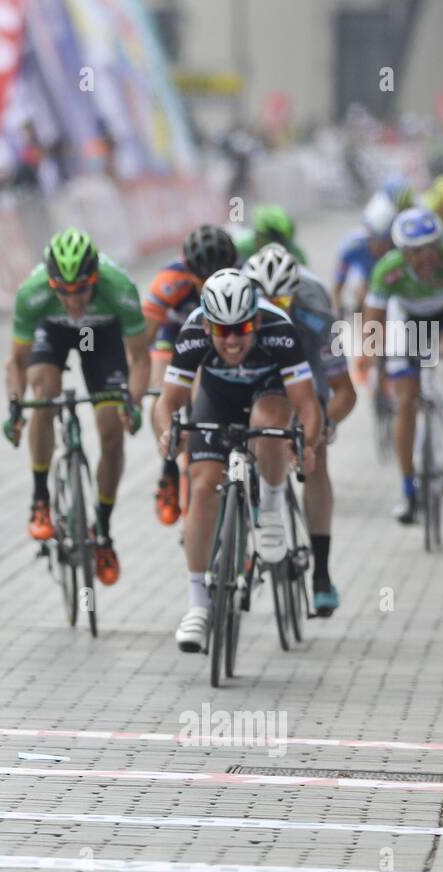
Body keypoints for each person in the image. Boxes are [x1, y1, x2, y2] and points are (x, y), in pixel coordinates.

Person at [153, 268, 321, 653]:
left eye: (241, 330)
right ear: (208, 324)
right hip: (219, 396)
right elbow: (168, 400)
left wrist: (306, 444)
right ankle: (198, 605)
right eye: (222, 330)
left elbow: (307, 404)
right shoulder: (194, 330)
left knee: (268, 424)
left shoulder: (278, 327)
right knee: (202, 488)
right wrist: (168, 433)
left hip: (269, 392)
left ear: (256, 320)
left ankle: (273, 509)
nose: (231, 341)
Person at [3, 228, 147, 585]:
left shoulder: (120, 289)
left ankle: (103, 530)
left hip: (102, 335)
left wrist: (134, 401)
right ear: (51, 283)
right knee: (44, 393)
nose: (73, 299)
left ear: (95, 279)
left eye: (81, 289)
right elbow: (16, 364)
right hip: (52, 332)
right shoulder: (32, 293)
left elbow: (141, 358)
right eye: (62, 291)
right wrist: (15, 408)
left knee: (112, 433)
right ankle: (40, 498)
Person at [244, 244, 356, 615]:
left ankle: (321, 574)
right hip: (259, 368)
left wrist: (324, 427)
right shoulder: (238, 313)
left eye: (283, 301)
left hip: (307, 367)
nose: (276, 310)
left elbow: (345, 392)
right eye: (267, 301)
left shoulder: (318, 314)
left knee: (316, 457)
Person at [362, 207, 443, 522]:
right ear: (403, 253)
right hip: (410, 319)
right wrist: (370, 354)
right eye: (417, 252)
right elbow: (373, 321)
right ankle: (408, 491)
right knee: (406, 400)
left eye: (433, 247)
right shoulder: (387, 271)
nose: (427, 257)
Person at [142, 225, 238, 524]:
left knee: (202, 392)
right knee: (160, 391)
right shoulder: (168, 281)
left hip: (216, 336)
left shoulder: (241, 278)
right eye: (201, 279)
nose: (208, 284)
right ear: (188, 270)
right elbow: (143, 338)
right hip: (173, 335)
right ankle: (169, 467)